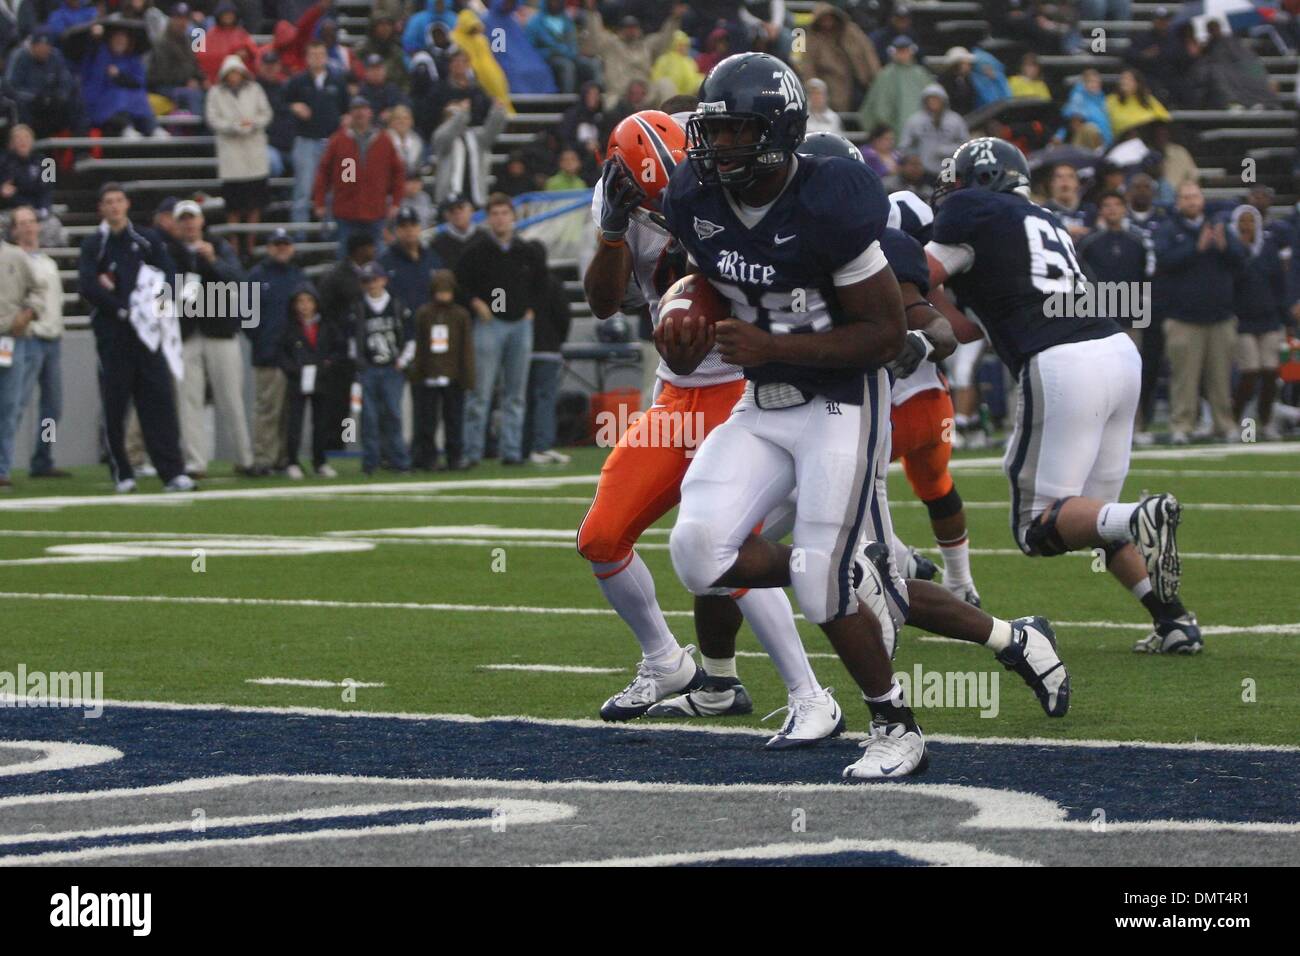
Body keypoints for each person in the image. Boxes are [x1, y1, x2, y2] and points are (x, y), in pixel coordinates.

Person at [926, 137, 1200, 655]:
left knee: (1037, 527)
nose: (951, 192)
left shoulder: (973, 209)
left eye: (958, 182)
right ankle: (1174, 620)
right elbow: (965, 330)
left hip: (1061, 361)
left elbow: (915, 277)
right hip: (1117, 353)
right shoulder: (1047, 220)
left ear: (981, 182)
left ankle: (1143, 518)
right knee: (1093, 514)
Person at [77, 184, 192, 493]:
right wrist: (121, 309)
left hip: (148, 336)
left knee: (159, 401)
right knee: (115, 405)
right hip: (114, 336)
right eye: (108, 202)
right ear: (101, 208)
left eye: (118, 201)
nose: (114, 207)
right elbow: (88, 285)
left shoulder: (147, 239)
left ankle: (172, 472)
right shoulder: (94, 244)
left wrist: (157, 304)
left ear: (127, 204)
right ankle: (122, 472)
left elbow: (169, 273)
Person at [455, 193, 545, 467]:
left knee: (515, 392)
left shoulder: (526, 250)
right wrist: (475, 303)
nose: (500, 219)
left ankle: (511, 450)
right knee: (480, 392)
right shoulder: (476, 251)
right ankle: (472, 452)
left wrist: (531, 308)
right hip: (488, 323)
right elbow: (459, 282)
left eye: (505, 213)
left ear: (513, 217)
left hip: (519, 323)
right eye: (495, 214)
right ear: (488, 219)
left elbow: (543, 283)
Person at [1154, 182, 1246, 444]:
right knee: (1184, 378)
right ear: (1178, 202)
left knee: (1221, 378)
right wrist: (1197, 248)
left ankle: (1224, 424)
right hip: (1183, 318)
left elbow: (1241, 259)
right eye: (1186, 197)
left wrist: (1224, 246)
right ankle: (1182, 425)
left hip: (1220, 316)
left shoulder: (1220, 228)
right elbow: (1164, 260)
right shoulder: (1170, 230)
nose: (1192, 201)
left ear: (1202, 200)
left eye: (1195, 196)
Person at [171, 201, 255, 477]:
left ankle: (245, 458)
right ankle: (196, 461)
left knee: (231, 397)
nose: (188, 225)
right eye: (183, 220)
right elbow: (164, 286)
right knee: (188, 400)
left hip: (219, 329)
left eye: (192, 219)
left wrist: (213, 261)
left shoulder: (218, 247)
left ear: (201, 222)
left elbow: (238, 278)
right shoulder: (170, 251)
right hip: (186, 332)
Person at [10, 205, 67, 478]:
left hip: (52, 339)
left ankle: (43, 457)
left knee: (52, 407)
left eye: (32, 221)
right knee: (15, 403)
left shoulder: (47, 262)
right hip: (28, 338)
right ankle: (3, 461)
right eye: (22, 223)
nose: (29, 227)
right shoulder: (12, 260)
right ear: (14, 229)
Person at [313, 96, 406, 257]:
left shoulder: (384, 140)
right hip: (346, 212)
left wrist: (396, 202)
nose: (360, 113)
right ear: (350, 113)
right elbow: (323, 173)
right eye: (356, 109)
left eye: (363, 109)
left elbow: (398, 173)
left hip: (375, 211)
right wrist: (319, 202)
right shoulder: (338, 140)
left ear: (370, 112)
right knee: (345, 256)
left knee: (377, 257)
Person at [1228, 204, 1287, 440]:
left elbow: (1278, 283)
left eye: (1251, 221)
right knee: (1250, 371)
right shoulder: (1232, 252)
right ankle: (1235, 419)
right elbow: (1231, 281)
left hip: (1269, 318)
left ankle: (1266, 421)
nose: (1247, 226)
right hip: (1243, 320)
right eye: (1242, 221)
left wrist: (1284, 317)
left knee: (1271, 371)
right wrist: (1241, 251)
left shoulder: (1269, 249)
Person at [247, 229, 303, 475]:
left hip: (294, 356)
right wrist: (262, 342)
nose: (281, 249)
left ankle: (284, 457)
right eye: (277, 244)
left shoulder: (298, 276)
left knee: (289, 412)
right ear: (269, 248)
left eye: (285, 244)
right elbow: (247, 318)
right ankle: (263, 458)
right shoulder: (257, 276)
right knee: (268, 409)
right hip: (268, 355)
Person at [206, 55, 272, 260]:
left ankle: (250, 244)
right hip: (231, 155)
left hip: (254, 154)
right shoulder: (215, 93)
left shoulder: (255, 90)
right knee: (233, 205)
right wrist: (232, 126)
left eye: (237, 73)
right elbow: (212, 118)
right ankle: (234, 244)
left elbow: (266, 113)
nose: (234, 77)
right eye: (230, 73)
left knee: (255, 203)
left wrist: (252, 123)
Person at [407, 269, 473, 471]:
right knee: (427, 421)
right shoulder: (424, 314)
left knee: (454, 419)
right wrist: (417, 374)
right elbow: (419, 347)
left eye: (447, 290)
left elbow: (466, 349)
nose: (443, 295)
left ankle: (455, 456)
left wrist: (467, 377)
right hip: (428, 376)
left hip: (453, 376)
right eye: (440, 290)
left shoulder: (461, 315)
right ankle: (427, 457)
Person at [350, 261, 412, 474]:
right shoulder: (358, 308)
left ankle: (398, 460)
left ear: (384, 280)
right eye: (366, 280)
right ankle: (371, 462)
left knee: (393, 415)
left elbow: (410, 338)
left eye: (374, 279)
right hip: (368, 368)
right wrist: (359, 364)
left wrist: (402, 362)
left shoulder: (396, 305)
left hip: (391, 369)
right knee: (368, 417)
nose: (371, 284)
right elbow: (353, 341)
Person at [279, 284, 342, 478]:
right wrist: (293, 368)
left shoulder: (326, 325)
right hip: (298, 379)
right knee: (294, 422)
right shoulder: (289, 327)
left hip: (321, 379)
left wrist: (328, 364)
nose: (305, 306)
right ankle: (292, 461)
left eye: (309, 301)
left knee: (321, 422)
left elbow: (338, 348)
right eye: (300, 302)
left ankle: (320, 461)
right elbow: (281, 352)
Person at [285, 40, 349, 228]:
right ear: (307, 57)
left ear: (326, 57)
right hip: (306, 140)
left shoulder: (337, 81)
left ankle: (329, 232)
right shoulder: (297, 81)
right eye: (313, 55)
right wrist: (294, 106)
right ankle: (299, 235)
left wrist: (345, 119)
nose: (317, 59)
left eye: (320, 55)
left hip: (332, 141)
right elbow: (282, 103)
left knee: (333, 189)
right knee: (303, 189)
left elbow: (346, 108)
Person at [579, 2, 685, 109]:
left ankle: (670, 121)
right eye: (627, 27)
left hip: (646, 94)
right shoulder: (610, 45)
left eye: (634, 27)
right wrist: (592, 12)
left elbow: (665, 39)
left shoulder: (646, 46)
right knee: (610, 103)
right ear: (620, 30)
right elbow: (595, 36)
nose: (631, 30)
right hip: (620, 95)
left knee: (665, 84)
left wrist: (674, 19)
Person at [525, 264, 570, 464]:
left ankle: (520, 446)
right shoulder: (553, 283)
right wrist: (559, 340)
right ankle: (542, 445)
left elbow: (500, 302)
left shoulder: (521, 283)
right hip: (548, 349)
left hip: (524, 351)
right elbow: (563, 316)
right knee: (545, 398)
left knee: (521, 399)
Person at [800, 3, 878, 113]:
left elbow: (868, 52)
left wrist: (876, 76)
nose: (827, 22)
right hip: (832, 85)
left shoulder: (851, 31)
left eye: (829, 18)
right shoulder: (812, 40)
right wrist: (814, 88)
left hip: (861, 81)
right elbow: (807, 66)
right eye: (823, 19)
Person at [431, 97, 508, 209]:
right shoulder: (439, 136)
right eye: (452, 115)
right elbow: (449, 132)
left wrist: (497, 112)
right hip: (449, 200)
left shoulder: (475, 136)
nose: (456, 118)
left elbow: (492, 131)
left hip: (475, 198)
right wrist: (461, 115)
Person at [7, 28, 80, 139]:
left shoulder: (55, 56)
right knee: (20, 107)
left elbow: (66, 81)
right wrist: (34, 97)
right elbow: (11, 87)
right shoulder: (20, 56)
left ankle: (79, 150)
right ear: (33, 46)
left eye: (47, 46)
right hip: (29, 105)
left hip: (50, 104)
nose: (44, 50)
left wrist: (58, 97)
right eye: (40, 46)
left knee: (75, 102)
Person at [858, 35, 933, 139]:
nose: (902, 54)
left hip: (920, 132)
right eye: (899, 51)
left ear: (911, 52)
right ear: (893, 52)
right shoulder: (884, 75)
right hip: (890, 134)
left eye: (905, 50)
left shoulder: (921, 74)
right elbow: (876, 106)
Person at [380, 207, 442, 316]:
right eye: (403, 226)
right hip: (401, 323)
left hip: (431, 322)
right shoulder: (385, 263)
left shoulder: (433, 258)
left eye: (413, 225)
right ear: (396, 231)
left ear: (419, 228)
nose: (409, 230)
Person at [146, 3, 205, 118]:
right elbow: (164, 73)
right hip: (163, 86)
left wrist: (201, 79)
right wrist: (187, 81)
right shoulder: (161, 41)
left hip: (183, 84)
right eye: (178, 18)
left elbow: (194, 65)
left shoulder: (188, 40)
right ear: (171, 19)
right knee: (192, 95)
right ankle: (195, 132)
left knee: (208, 93)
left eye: (185, 19)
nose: (182, 22)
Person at [899, 83, 969, 177]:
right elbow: (904, 146)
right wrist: (915, 155)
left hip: (949, 169)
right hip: (922, 171)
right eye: (930, 99)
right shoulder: (914, 121)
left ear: (943, 100)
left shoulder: (955, 120)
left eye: (936, 99)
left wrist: (947, 150)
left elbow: (966, 145)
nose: (933, 102)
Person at [195, 1, 259, 85]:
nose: (228, 17)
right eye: (225, 14)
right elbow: (203, 57)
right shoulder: (210, 35)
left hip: (242, 80)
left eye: (230, 14)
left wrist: (247, 54)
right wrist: (233, 56)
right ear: (219, 16)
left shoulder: (241, 33)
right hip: (216, 82)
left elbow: (254, 52)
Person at [1106, 68, 1171, 140]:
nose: (1125, 82)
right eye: (1123, 79)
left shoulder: (1147, 99)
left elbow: (1165, 117)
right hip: (1124, 140)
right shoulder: (1111, 100)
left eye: (1129, 79)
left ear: (1137, 83)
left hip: (1149, 139)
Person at [432, 195, 477, 269]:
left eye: (461, 208)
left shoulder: (484, 238)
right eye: (451, 210)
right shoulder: (437, 243)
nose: (457, 212)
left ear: (471, 211)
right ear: (446, 215)